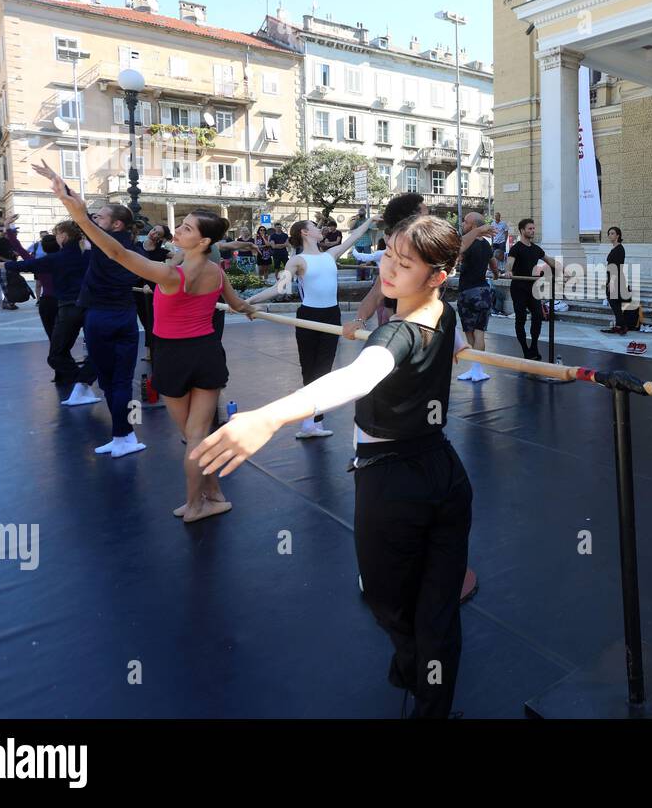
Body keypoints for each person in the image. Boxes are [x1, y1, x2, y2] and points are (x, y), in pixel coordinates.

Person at [192, 215, 474, 717]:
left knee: (388, 599)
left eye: (403, 263)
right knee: (437, 607)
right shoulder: (444, 314)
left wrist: (271, 415)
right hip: (444, 471)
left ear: (437, 276)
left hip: (393, 482)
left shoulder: (393, 338)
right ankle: (429, 686)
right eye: (387, 254)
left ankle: (416, 665)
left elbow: (358, 378)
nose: (386, 268)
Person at [40, 163, 258, 519]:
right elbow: (236, 304)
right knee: (197, 435)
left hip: (173, 355)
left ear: (202, 241)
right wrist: (251, 308)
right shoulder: (215, 271)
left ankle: (194, 507)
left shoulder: (171, 275)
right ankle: (214, 494)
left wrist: (79, 214)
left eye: (187, 228)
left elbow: (118, 254)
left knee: (192, 438)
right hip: (205, 352)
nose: (180, 230)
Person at [33, 162, 147, 456]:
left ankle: (127, 433)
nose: (95, 220)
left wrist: (61, 186)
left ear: (117, 225)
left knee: (116, 382)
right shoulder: (128, 249)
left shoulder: (108, 245)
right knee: (112, 381)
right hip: (112, 317)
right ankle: (123, 435)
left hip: (107, 317)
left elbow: (81, 213)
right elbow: (83, 213)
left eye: (102, 217)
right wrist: (61, 186)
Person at [247, 213, 371, 438]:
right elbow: (279, 289)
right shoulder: (297, 260)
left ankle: (313, 422)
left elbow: (353, 237)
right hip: (308, 316)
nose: (319, 228)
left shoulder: (331, 254)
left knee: (323, 370)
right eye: (314, 226)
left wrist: (371, 221)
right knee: (309, 368)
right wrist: (248, 302)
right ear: (305, 232)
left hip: (331, 315)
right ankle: (309, 422)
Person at [0, 221, 89, 385]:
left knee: (57, 353)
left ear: (63, 235)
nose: (57, 237)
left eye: (58, 234)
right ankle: (81, 381)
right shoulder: (86, 254)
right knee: (74, 348)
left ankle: (82, 382)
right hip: (86, 306)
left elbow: (26, 263)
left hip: (65, 307)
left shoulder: (56, 259)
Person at [343, 193, 427, 339]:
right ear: (414, 219)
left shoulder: (433, 246)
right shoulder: (396, 257)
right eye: (427, 214)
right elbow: (376, 294)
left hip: (437, 327)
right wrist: (359, 320)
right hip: (413, 330)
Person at [504, 218, 558, 360]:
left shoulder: (536, 249)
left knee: (538, 316)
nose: (533, 231)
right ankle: (525, 350)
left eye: (533, 229)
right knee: (520, 319)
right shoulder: (516, 248)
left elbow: (550, 260)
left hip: (533, 288)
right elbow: (509, 264)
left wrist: (564, 270)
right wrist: (509, 271)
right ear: (522, 230)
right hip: (519, 288)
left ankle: (534, 346)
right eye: (530, 229)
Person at [455, 212, 500, 383]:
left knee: (469, 331)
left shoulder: (467, 243)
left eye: (465, 222)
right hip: (483, 291)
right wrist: (496, 275)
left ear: (474, 226)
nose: (463, 224)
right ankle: (477, 369)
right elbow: (493, 263)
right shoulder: (486, 245)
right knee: (479, 331)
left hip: (467, 291)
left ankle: (475, 369)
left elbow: (457, 255)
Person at [136, 225, 173, 367]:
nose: (154, 233)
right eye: (153, 230)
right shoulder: (137, 245)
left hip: (151, 290)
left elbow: (181, 259)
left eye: (158, 233)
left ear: (161, 238)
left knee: (150, 321)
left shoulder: (162, 252)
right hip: (136, 289)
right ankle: (150, 351)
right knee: (142, 319)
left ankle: (152, 352)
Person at [600, 226, 636, 335]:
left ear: (618, 235)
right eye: (609, 233)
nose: (610, 235)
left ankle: (622, 325)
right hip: (613, 278)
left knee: (614, 302)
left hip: (616, 278)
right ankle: (620, 325)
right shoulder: (615, 248)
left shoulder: (620, 249)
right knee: (615, 303)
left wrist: (612, 281)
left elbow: (617, 267)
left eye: (612, 233)